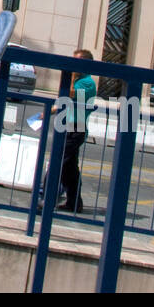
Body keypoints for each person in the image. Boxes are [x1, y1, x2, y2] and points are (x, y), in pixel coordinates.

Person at [53, 49, 98, 212]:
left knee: (59, 162)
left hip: (76, 128)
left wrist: (70, 74)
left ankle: (45, 196)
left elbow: (71, 94)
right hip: (68, 126)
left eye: (76, 61)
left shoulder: (87, 83)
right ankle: (74, 203)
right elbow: (66, 100)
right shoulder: (79, 80)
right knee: (69, 169)